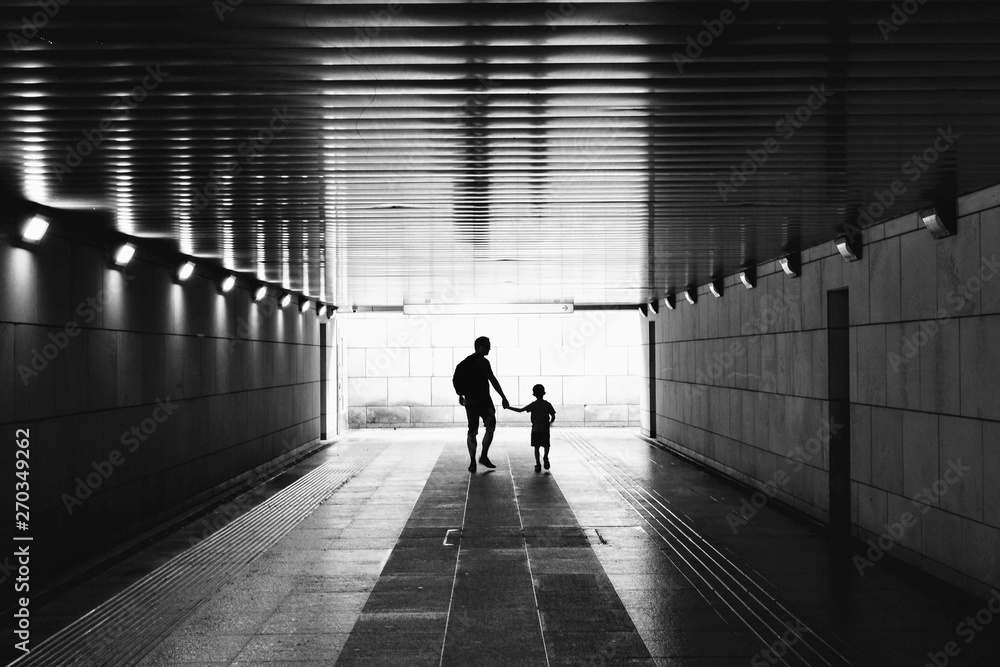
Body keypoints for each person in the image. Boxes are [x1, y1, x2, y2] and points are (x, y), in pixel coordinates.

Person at [453, 336, 510, 472]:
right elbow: (492, 380)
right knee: (490, 425)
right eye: (487, 345)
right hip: (484, 401)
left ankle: (473, 462)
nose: (489, 348)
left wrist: (461, 394)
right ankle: (483, 456)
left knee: (472, 431)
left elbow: (458, 379)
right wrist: (503, 397)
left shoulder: (465, 362)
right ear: (479, 346)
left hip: (470, 402)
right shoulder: (483, 362)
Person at [506, 384, 556, 472]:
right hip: (545, 429)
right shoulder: (547, 404)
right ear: (544, 393)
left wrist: (508, 407)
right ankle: (545, 457)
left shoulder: (533, 405)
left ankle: (538, 464)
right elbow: (553, 415)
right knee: (546, 445)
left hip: (536, 429)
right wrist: (550, 423)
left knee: (536, 447)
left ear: (534, 394)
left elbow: (520, 410)